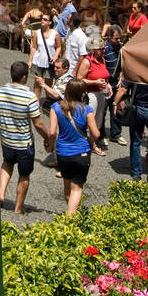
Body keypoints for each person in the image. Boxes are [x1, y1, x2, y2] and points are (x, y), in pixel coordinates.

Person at [0, 60, 48, 215]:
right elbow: (38, 123)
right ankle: (18, 208)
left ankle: (0, 194)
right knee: (24, 174)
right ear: (24, 77)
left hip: (6, 139)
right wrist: (48, 138)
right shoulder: (29, 96)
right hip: (24, 144)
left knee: (7, 163)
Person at [45, 79, 100, 216]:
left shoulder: (56, 107)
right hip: (81, 153)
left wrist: (50, 146)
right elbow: (96, 133)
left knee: (67, 186)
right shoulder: (87, 110)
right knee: (77, 188)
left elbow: (52, 132)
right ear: (82, 94)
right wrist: (92, 139)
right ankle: (70, 219)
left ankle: (72, 214)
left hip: (63, 153)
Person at [113, 77, 148, 180]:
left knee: (135, 142)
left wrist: (114, 103)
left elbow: (123, 89)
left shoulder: (136, 71)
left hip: (137, 109)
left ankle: (136, 173)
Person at [102, 24, 127, 144]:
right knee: (103, 110)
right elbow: (101, 66)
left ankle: (115, 134)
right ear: (109, 37)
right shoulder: (104, 49)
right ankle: (100, 135)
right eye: (116, 38)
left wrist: (121, 76)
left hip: (117, 83)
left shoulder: (121, 48)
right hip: (106, 83)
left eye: (119, 38)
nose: (118, 40)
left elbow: (123, 64)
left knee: (116, 109)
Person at [29, 13, 60, 85]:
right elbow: (34, 47)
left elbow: (59, 47)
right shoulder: (37, 33)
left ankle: (48, 96)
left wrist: (55, 56)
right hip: (38, 61)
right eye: (42, 19)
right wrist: (30, 61)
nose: (42, 21)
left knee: (48, 84)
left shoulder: (55, 34)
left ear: (50, 22)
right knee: (37, 84)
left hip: (49, 62)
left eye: (45, 20)